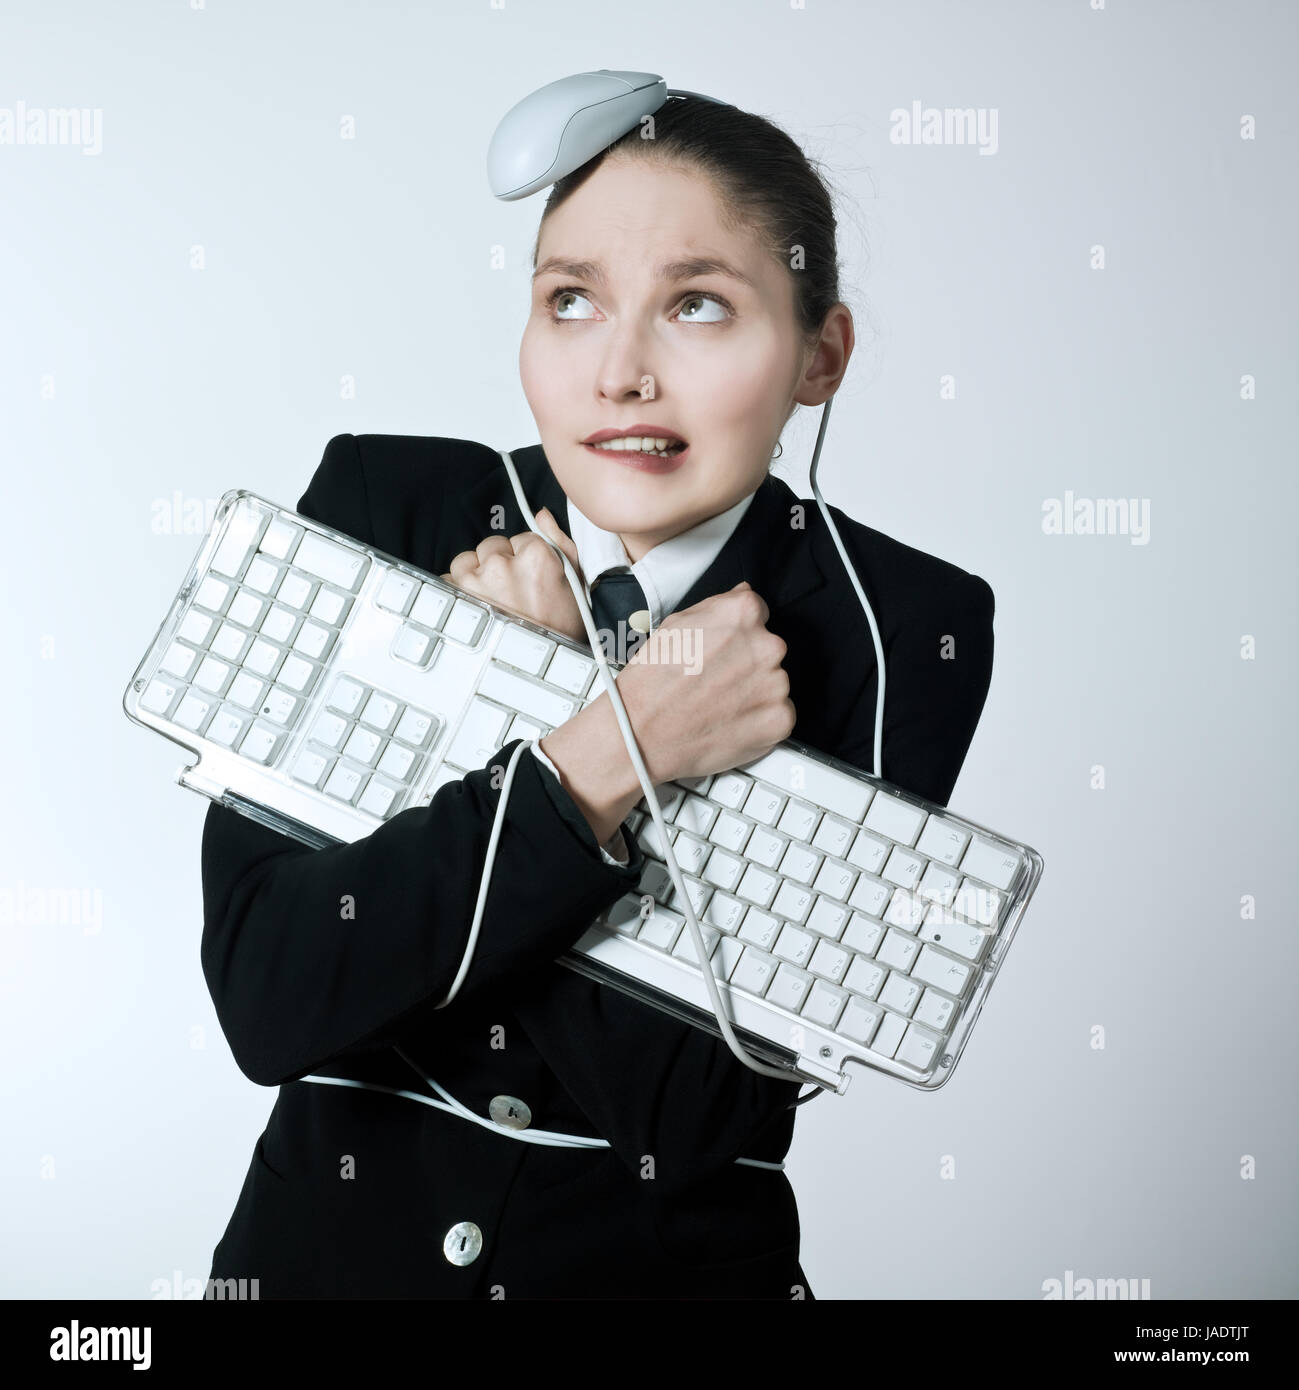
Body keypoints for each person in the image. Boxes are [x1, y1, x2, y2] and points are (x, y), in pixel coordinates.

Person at [202, 96, 995, 1300]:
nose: (621, 375)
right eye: (571, 300)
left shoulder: (899, 625)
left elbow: (694, 1106)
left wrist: (541, 719)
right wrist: (605, 737)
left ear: (819, 355)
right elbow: (274, 994)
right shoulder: (382, 505)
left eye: (698, 306)